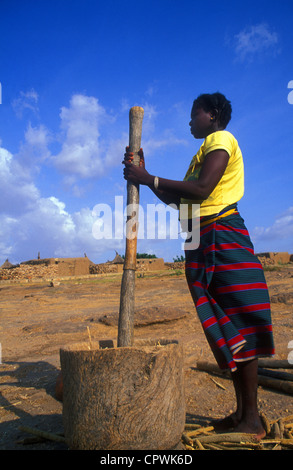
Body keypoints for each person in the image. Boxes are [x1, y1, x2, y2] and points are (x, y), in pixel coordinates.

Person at [123, 92, 275, 439]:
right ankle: (241, 415)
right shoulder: (199, 156)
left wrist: (148, 178)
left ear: (212, 114)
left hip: (221, 234)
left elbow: (203, 189)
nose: (190, 120)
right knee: (225, 328)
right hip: (199, 237)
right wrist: (144, 173)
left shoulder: (221, 139)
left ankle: (252, 420)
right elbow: (181, 199)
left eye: (195, 114)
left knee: (240, 323)